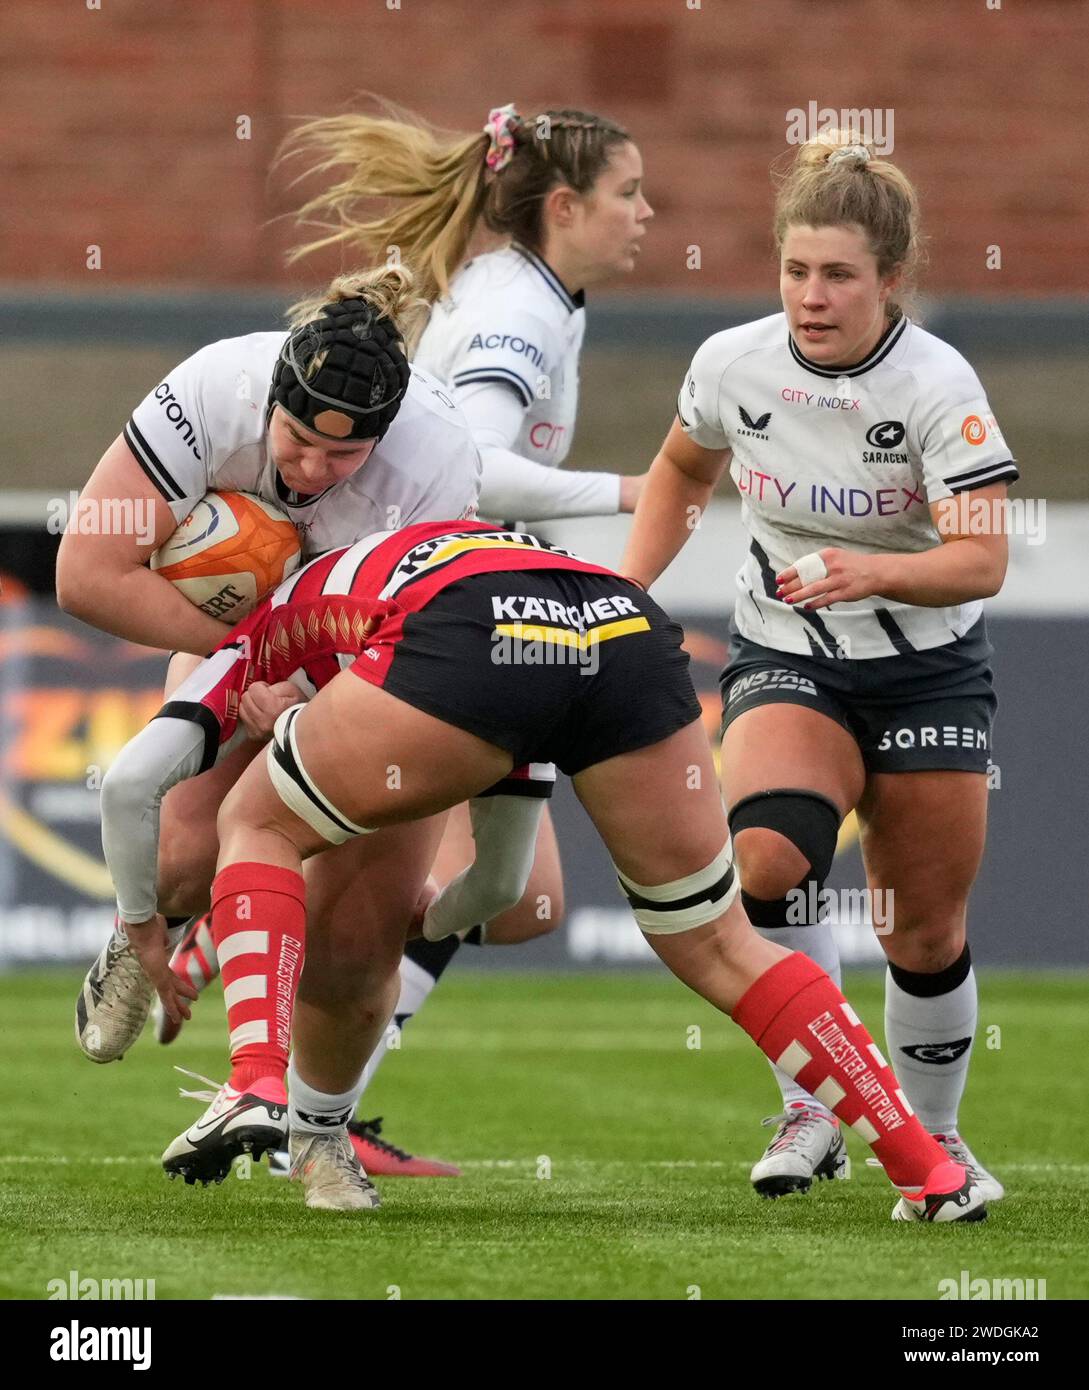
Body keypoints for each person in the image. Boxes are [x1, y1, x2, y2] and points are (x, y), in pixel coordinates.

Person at [116, 518, 988, 1224]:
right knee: (720, 944)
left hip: (463, 632)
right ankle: (927, 1170)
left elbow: (130, 783)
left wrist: (139, 922)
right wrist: (427, 915)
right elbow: (497, 887)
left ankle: (254, 1085)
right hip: (619, 627)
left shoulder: (254, 636)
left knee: (253, 819)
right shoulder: (435, 548)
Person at [163, 100, 656, 1150]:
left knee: (509, 901)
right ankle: (291, 1093)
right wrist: (636, 489)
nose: (645, 214)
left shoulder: (536, 298)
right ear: (563, 206)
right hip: (440, 626)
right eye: (627, 193)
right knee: (475, 894)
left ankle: (290, 1067)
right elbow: (479, 464)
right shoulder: (519, 311)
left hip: (447, 612)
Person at [619, 130, 1017, 1203]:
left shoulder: (939, 383)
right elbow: (679, 466)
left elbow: (984, 558)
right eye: (796, 270)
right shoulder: (733, 363)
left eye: (839, 275)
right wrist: (633, 589)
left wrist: (878, 574)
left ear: (890, 280)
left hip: (928, 672)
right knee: (764, 867)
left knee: (920, 927)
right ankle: (815, 1108)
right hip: (788, 651)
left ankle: (936, 1144)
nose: (812, 296)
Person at [65, 268, 513, 1174]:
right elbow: (89, 573)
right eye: (298, 440)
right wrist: (251, 655)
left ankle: (316, 1138)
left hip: (378, 664)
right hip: (241, 637)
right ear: (270, 398)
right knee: (181, 859)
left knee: (352, 954)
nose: (311, 471)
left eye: (343, 460)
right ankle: (142, 926)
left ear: (383, 441)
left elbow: (403, 644)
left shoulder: (436, 461)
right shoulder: (211, 391)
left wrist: (302, 689)